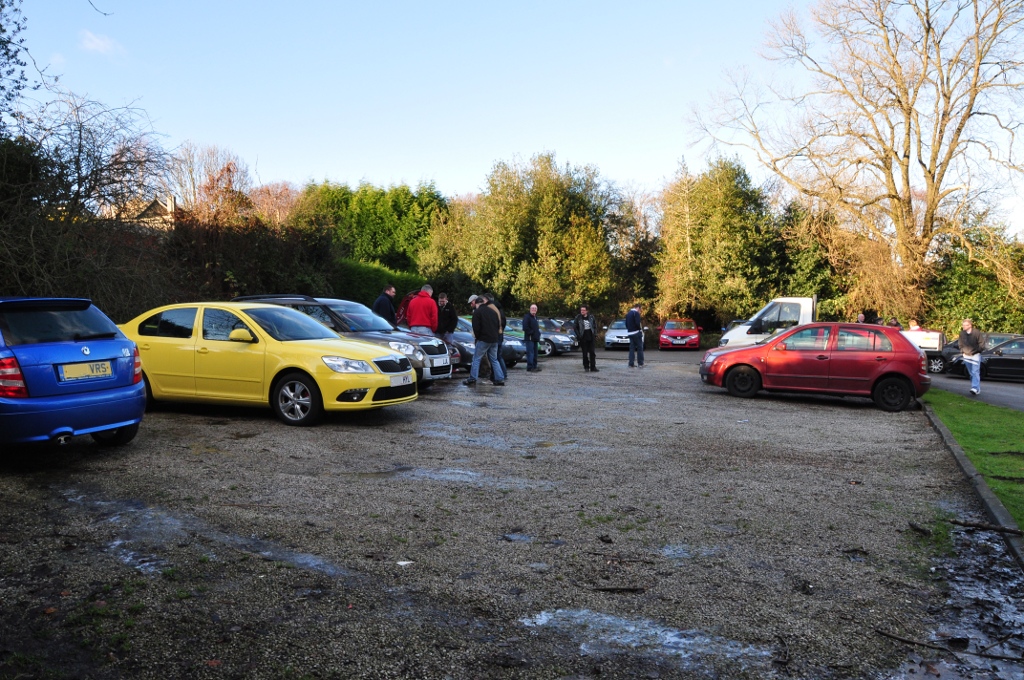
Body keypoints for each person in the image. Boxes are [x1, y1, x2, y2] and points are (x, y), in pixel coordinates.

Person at [464, 294, 505, 386]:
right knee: (494, 359)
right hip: (494, 339)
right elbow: (498, 324)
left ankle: (472, 378)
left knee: (476, 359)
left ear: (477, 303)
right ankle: (500, 379)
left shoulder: (477, 312)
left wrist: (478, 338)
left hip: (483, 339)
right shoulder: (493, 311)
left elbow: (476, 327)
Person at [484, 293, 508, 380]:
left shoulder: (493, 309)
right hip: (500, 334)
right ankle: (502, 374)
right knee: (498, 356)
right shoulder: (500, 309)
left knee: (495, 357)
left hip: (496, 335)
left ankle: (499, 375)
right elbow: (503, 323)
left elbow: (498, 323)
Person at [958, 318, 983, 395]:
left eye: (966, 325)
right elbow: (960, 343)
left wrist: (976, 351)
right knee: (971, 373)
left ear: (970, 325)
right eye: (963, 325)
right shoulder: (962, 333)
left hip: (975, 355)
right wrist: (962, 351)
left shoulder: (976, 332)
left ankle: (974, 388)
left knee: (975, 372)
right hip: (966, 355)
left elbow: (981, 344)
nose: (964, 326)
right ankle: (977, 388)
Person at [573, 305, 598, 372]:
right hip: (583, 337)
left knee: (592, 352)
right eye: (581, 310)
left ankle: (593, 367)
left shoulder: (591, 317)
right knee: (584, 353)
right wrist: (578, 335)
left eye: (584, 310)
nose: (582, 311)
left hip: (590, 336)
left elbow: (595, 326)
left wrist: (595, 334)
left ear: (587, 311)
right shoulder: (578, 317)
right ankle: (586, 367)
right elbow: (575, 327)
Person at [625, 303, 645, 368]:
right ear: (638, 308)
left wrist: (629, 329)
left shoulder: (628, 314)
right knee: (640, 348)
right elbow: (637, 323)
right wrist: (639, 329)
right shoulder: (636, 313)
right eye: (640, 309)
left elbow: (626, 324)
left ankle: (631, 363)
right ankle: (640, 363)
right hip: (636, 332)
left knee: (632, 348)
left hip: (630, 333)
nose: (640, 311)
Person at [523, 304, 542, 372]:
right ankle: (530, 367)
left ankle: (534, 366)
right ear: (530, 309)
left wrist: (538, 334)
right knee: (530, 353)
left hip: (535, 339)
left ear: (537, 310)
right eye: (532, 308)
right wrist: (531, 332)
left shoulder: (536, 317)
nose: (534, 309)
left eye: (535, 308)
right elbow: (525, 327)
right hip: (530, 338)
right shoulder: (527, 317)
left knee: (535, 353)